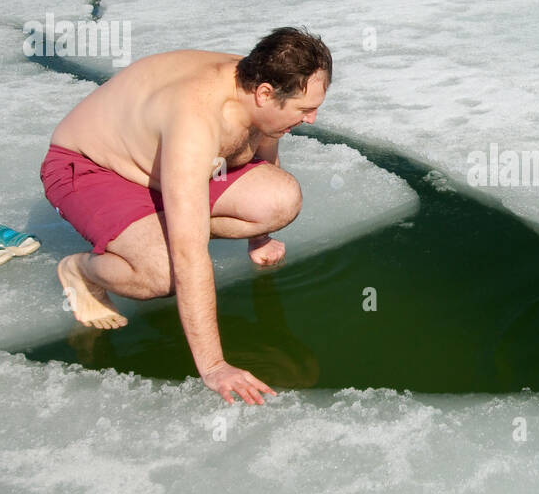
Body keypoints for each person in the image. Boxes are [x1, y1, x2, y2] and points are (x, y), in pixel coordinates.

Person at [40, 26, 330, 405]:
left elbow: (265, 144)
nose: (311, 119)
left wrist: (258, 237)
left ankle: (162, 220)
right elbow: (190, 255)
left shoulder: (265, 85)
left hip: (165, 167)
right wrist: (213, 366)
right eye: (305, 110)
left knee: (279, 198)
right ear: (265, 94)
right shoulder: (197, 120)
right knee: (164, 271)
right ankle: (81, 270)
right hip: (90, 169)